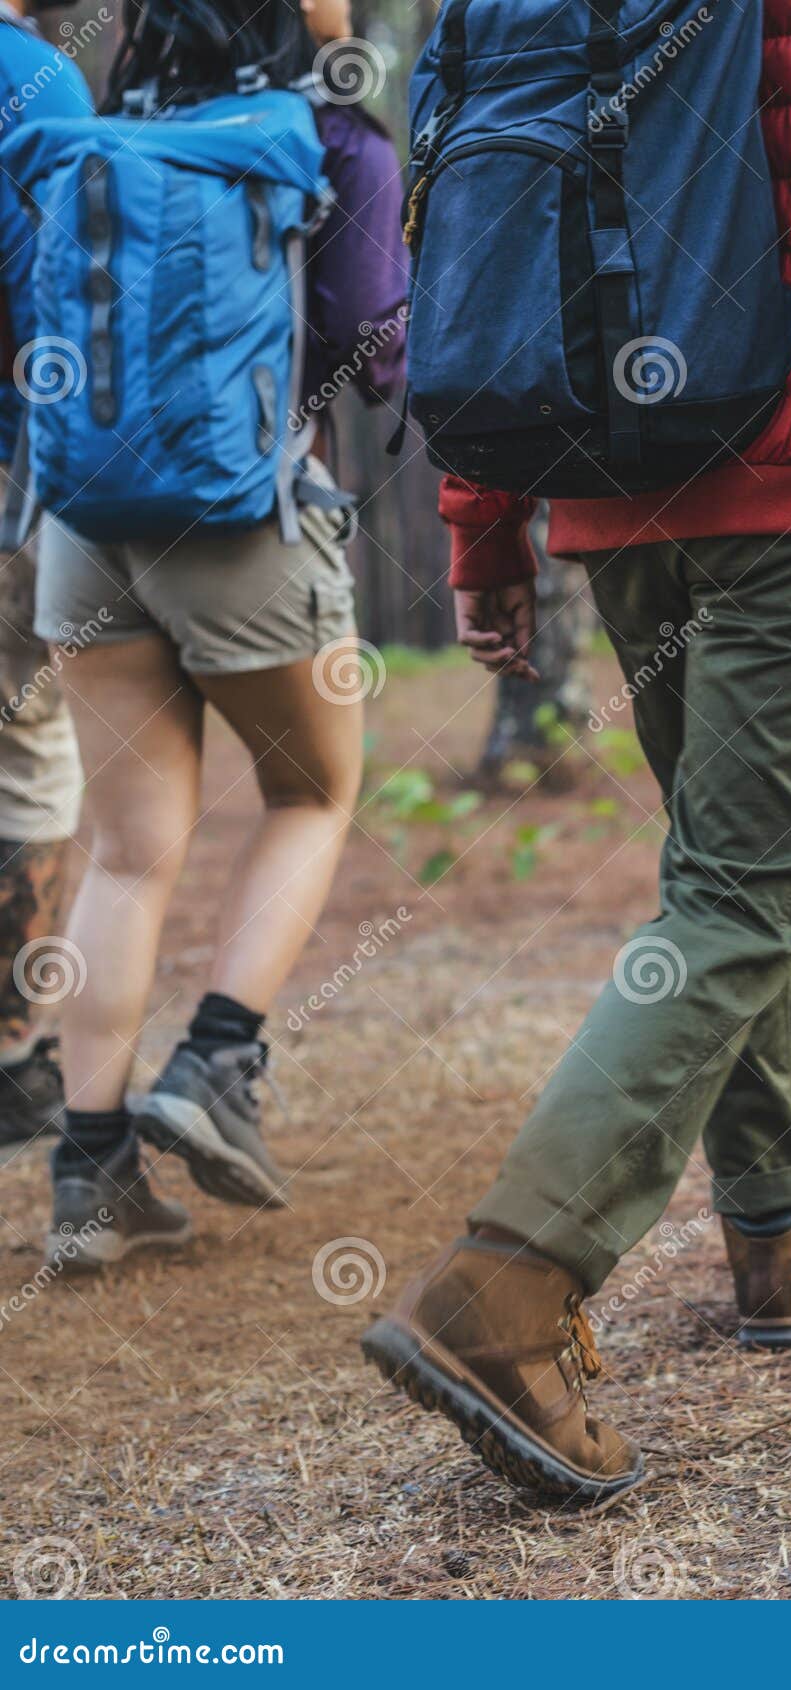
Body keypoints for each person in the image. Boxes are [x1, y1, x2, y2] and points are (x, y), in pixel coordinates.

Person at [362, 0, 791, 1500]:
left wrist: (485, 522)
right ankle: (509, 1284)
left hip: (606, 481)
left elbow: (468, 228)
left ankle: (783, 1226)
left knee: (724, 871)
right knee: (741, 892)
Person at [30, 0, 406, 1269]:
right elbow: (377, 341)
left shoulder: (89, 132)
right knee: (312, 792)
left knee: (128, 850)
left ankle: (89, 1174)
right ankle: (216, 1062)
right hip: (241, 516)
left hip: (85, 524)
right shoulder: (330, 137)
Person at [0, 0, 93, 1170]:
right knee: (25, 736)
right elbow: (52, 312)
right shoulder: (34, 83)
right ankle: (16, 1058)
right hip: (11, 464)